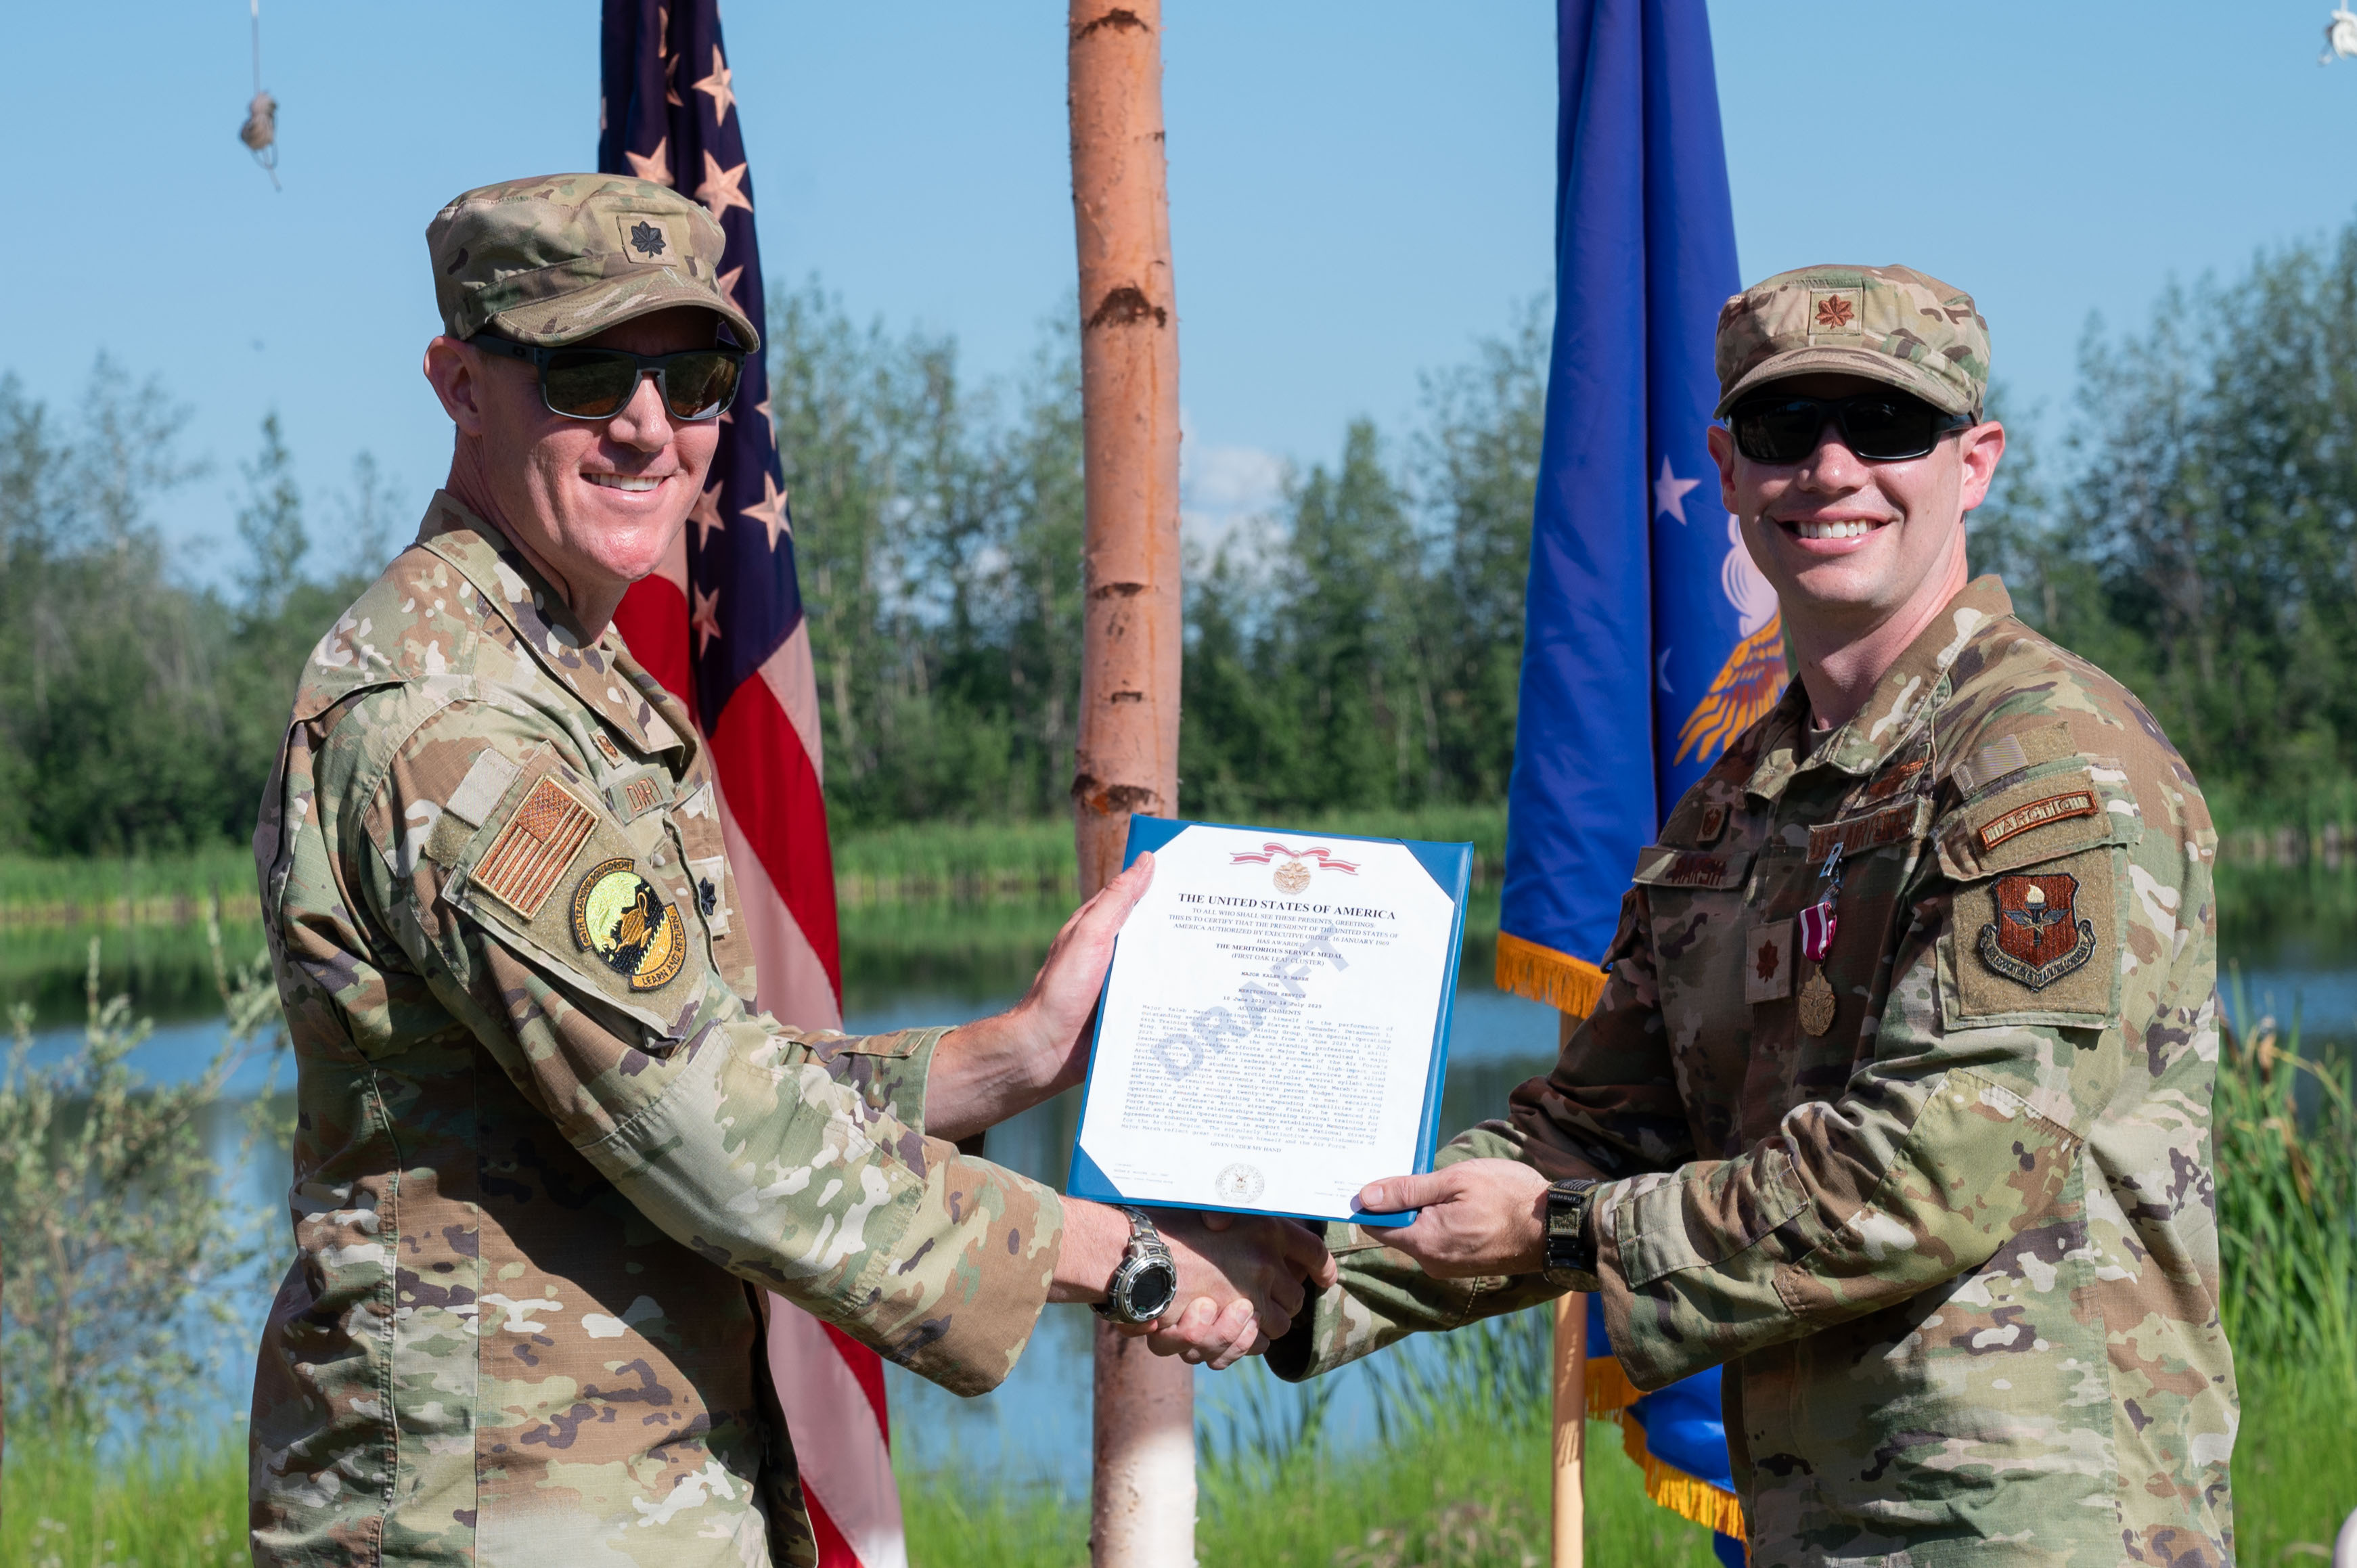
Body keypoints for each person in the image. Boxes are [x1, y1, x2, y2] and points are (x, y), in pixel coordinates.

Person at [246, 173, 1334, 1565]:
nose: (648, 429)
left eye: (690, 377)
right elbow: (704, 1120)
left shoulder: (561, 671)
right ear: (459, 383)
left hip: (600, 1488)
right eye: (586, 373)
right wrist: (1111, 1254)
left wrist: (1006, 1059)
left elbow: (700, 1068)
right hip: (487, 1515)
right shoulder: (455, 723)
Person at [1273, 265, 2236, 1567]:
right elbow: (1591, 1134)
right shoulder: (1732, 811)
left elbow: (1930, 1172)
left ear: (1978, 461)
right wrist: (1278, 1264)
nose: (1833, 470)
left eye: (1887, 426)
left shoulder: (2047, 761)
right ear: (1727, 468)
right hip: (1813, 1529)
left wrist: (1557, 1230)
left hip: (2034, 1527)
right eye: (1788, 431)